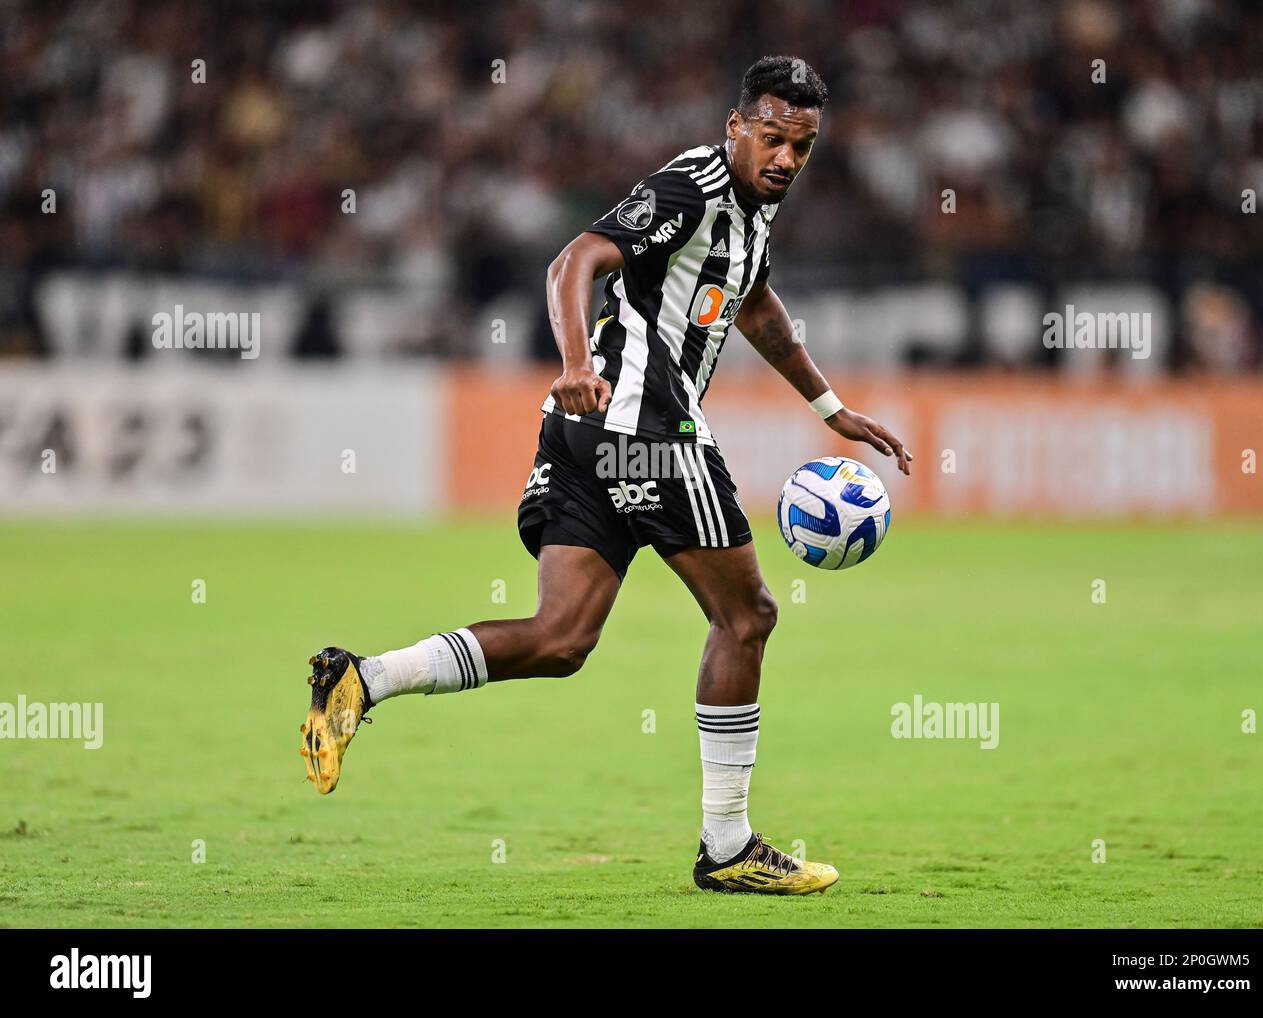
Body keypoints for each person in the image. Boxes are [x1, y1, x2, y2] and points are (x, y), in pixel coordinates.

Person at [301, 55, 911, 895]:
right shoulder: (693, 186)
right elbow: (574, 260)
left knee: (561, 640)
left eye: (801, 148)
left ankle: (363, 679)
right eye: (772, 139)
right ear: (736, 126)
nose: (785, 161)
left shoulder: (752, 210)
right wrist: (577, 362)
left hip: (586, 440)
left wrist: (828, 406)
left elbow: (756, 305)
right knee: (748, 617)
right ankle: (728, 845)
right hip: (649, 431)